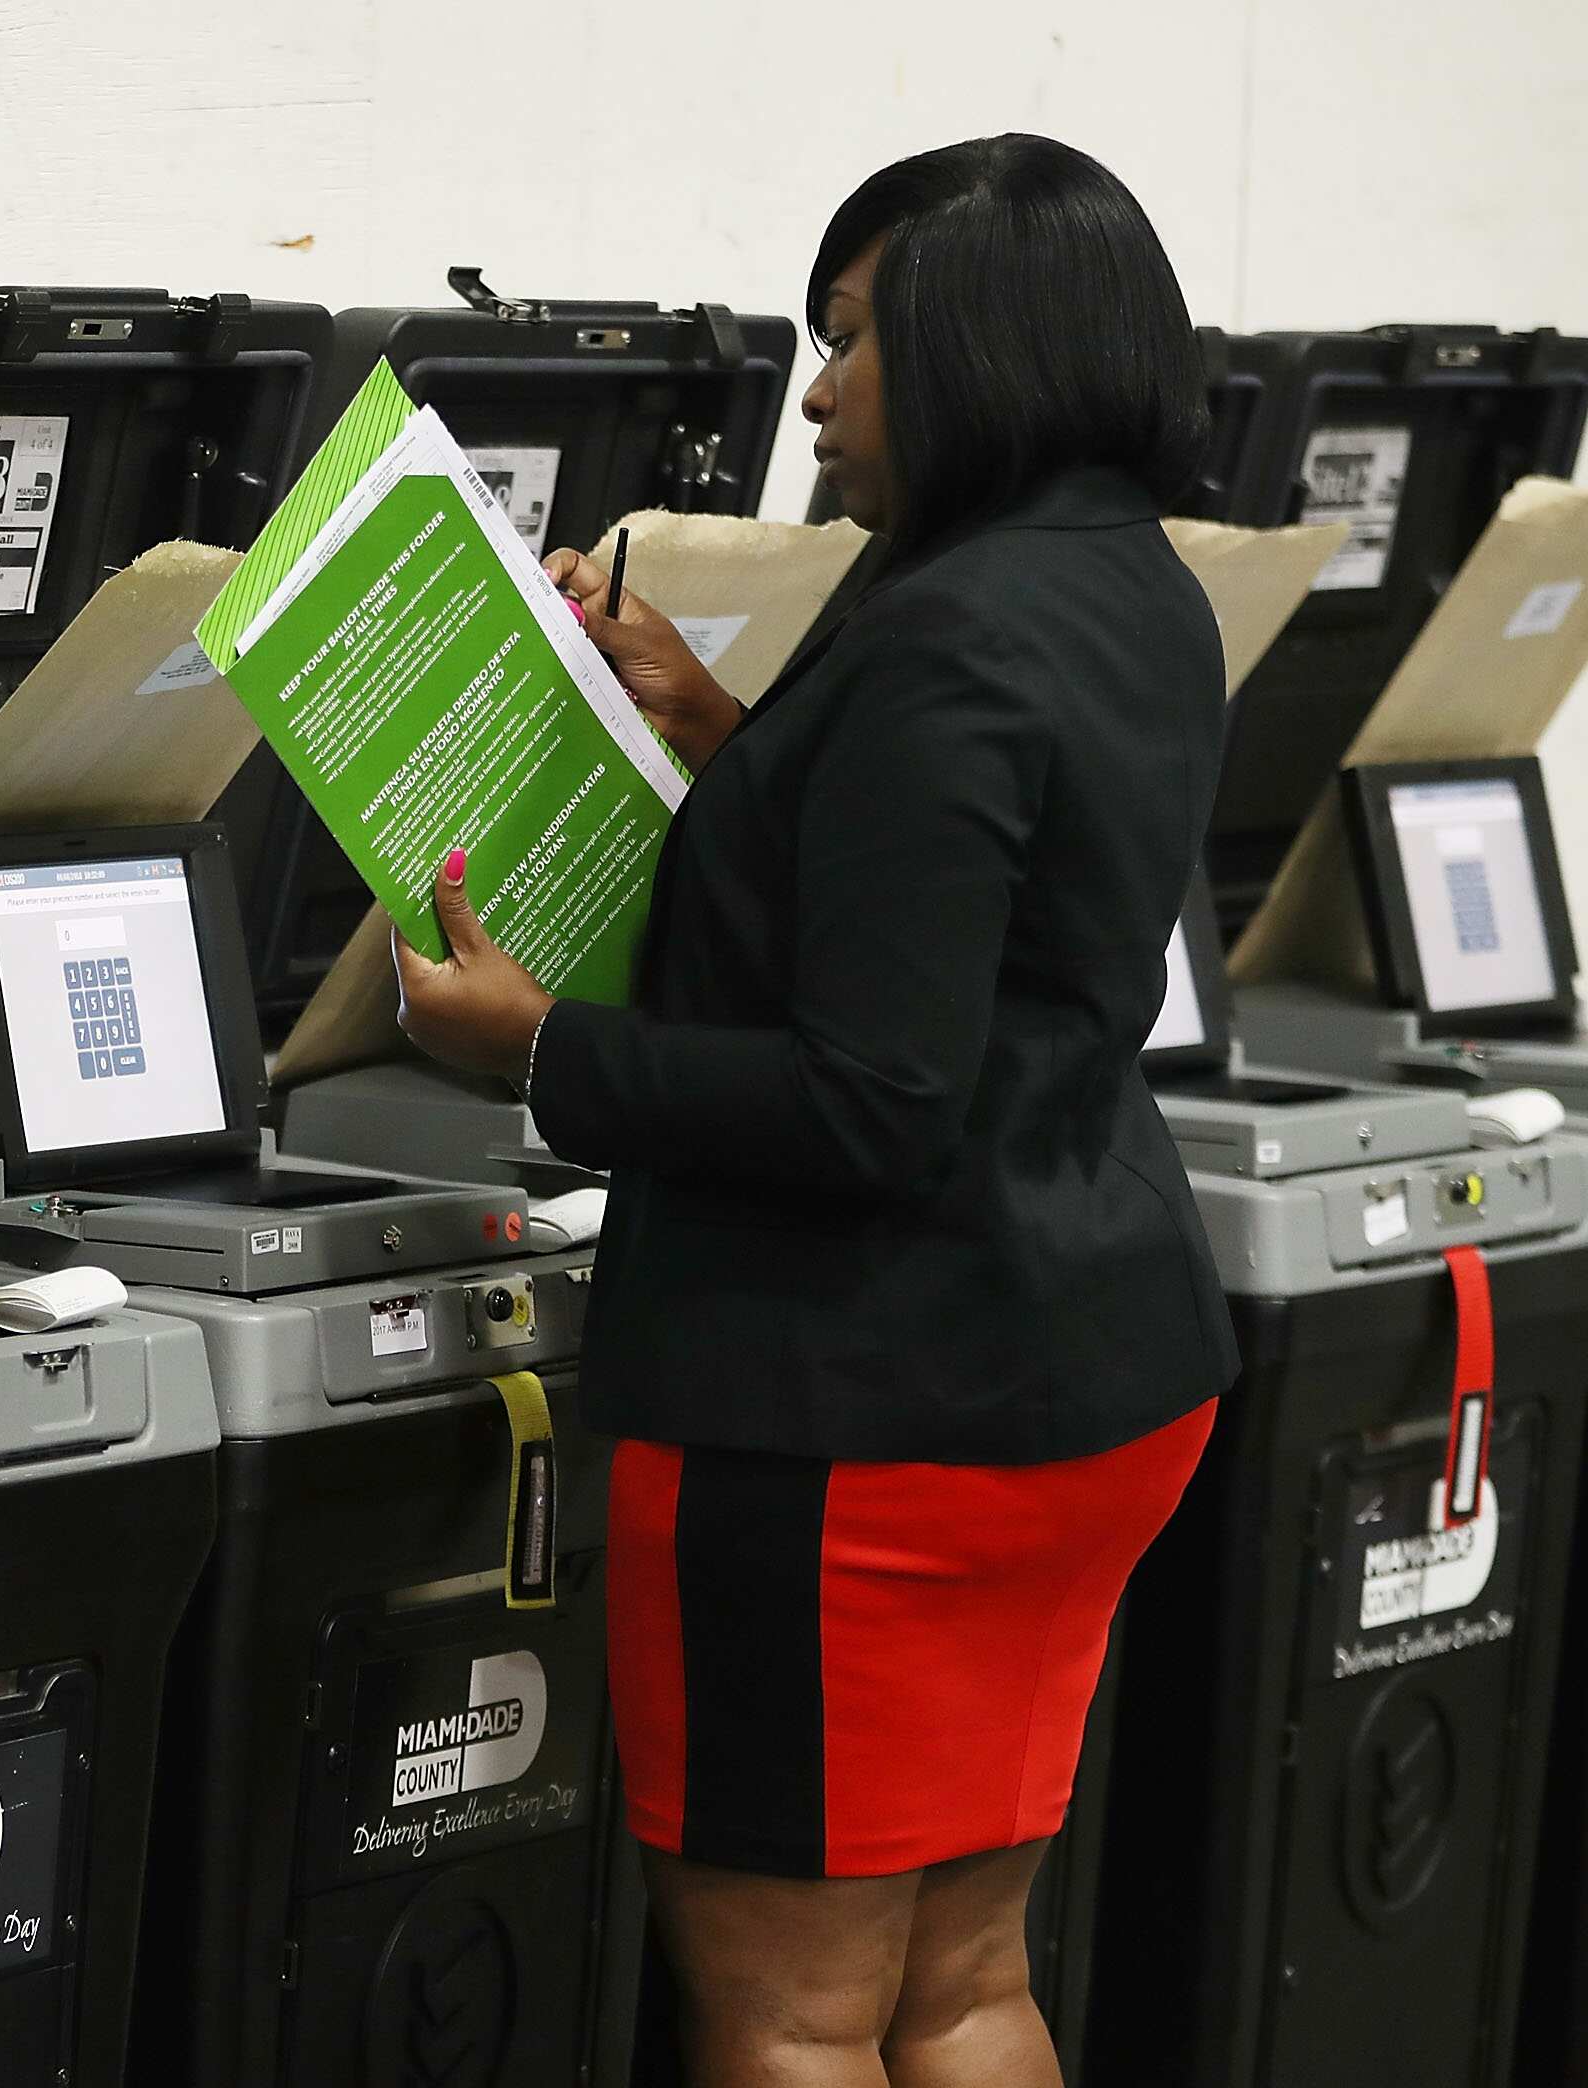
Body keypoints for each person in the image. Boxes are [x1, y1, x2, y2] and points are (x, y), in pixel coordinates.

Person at [394, 134, 1236, 2088]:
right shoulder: (1122, 585)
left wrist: (536, 1050)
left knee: (792, 2015)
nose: (817, 390)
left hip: (858, 1422)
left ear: (982, 349)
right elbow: (942, 910)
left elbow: (870, 1102)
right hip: (1080, 1375)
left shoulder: (944, 630)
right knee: (959, 1988)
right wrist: (703, 720)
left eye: (847, 339)